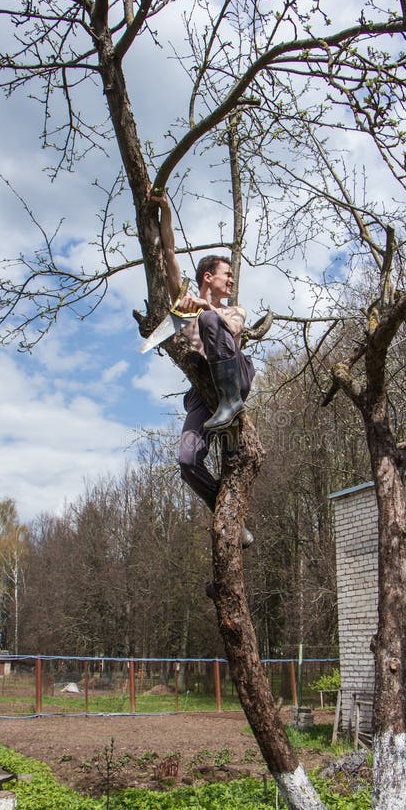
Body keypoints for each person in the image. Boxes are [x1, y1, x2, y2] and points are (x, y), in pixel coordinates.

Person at [149, 190, 256, 547]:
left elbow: (233, 328)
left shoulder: (234, 310)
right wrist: (164, 211)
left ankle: (230, 405)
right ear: (207, 277)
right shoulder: (187, 301)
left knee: (212, 321)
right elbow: (167, 255)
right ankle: (229, 515)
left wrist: (204, 311)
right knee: (187, 460)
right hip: (202, 396)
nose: (231, 281)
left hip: (234, 379)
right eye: (226, 275)